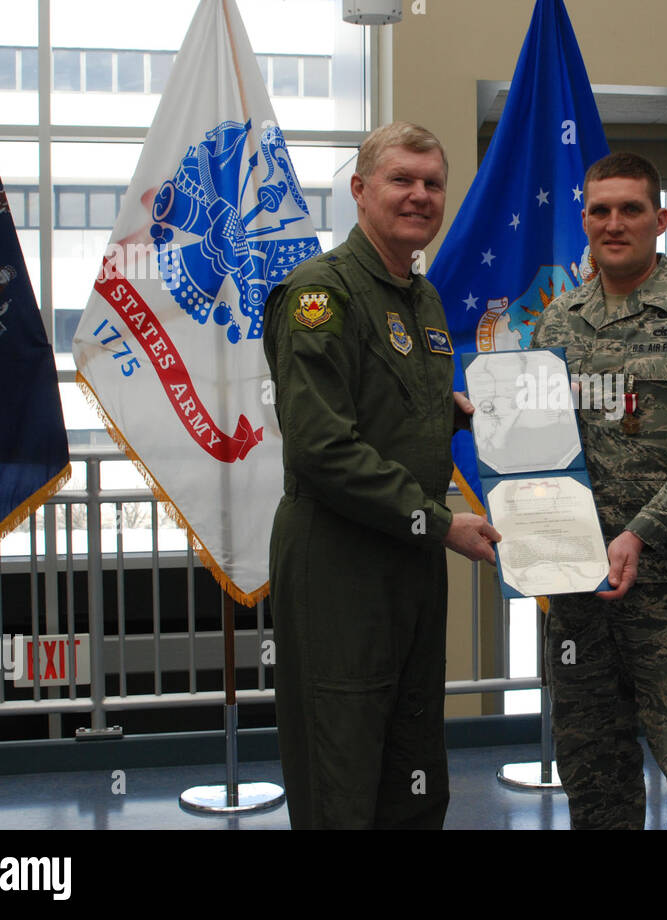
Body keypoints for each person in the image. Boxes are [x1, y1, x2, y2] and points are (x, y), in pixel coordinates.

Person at [263, 120, 500, 829]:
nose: (420, 196)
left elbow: (392, 408)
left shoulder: (421, 298)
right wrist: (440, 523)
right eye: (402, 180)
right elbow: (322, 447)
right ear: (361, 190)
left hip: (412, 559)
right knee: (344, 762)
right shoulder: (320, 296)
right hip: (342, 561)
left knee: (414, 755)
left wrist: (459, 415)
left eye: (432, 184)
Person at [530, 152, 667, 829]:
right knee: (593, 771)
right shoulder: (556, 323)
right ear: (584, 220)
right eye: (600, 209)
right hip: (580, 596)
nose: (614, 222)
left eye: (631, 209)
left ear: (659, 219)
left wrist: (640, 533)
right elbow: (538, 449)